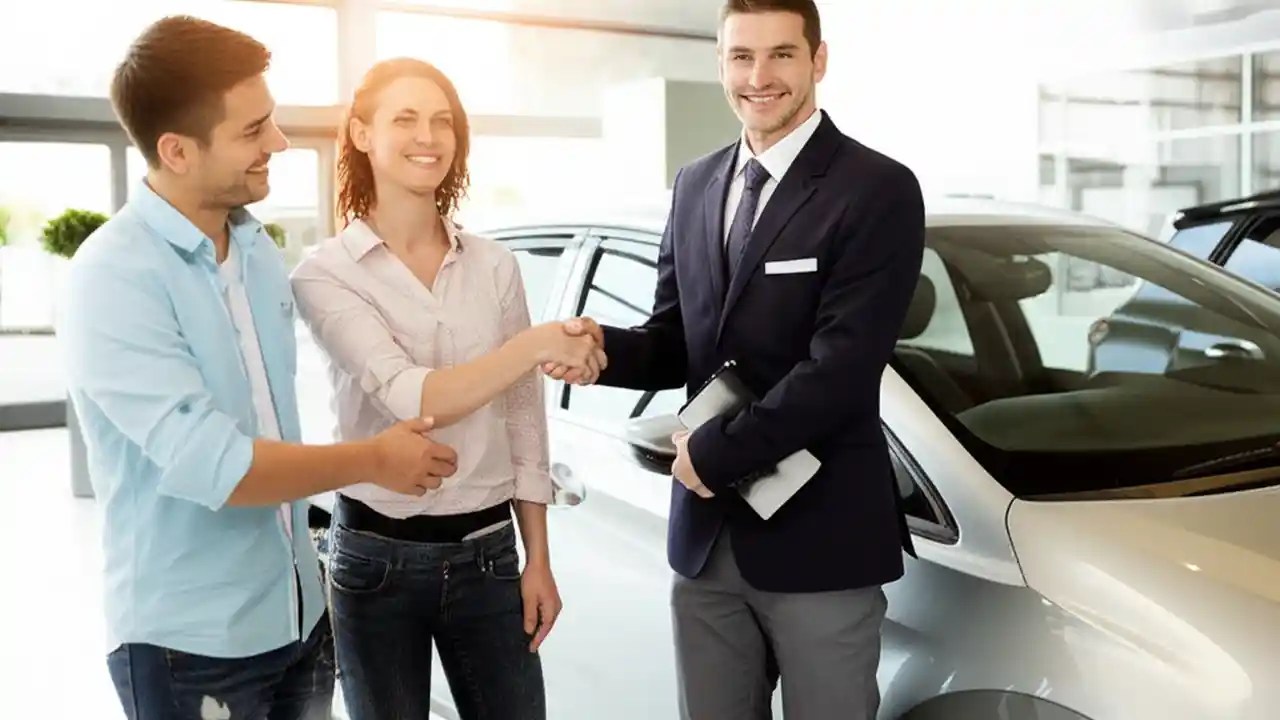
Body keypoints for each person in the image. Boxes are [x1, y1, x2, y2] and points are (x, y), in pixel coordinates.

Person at [62, 17, 459, 720]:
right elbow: (217, 465)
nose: (276, 143)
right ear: (176, 151)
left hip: (300, 622)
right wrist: (373, 460)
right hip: (192, 649)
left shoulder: (253, 252)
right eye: (252, 132)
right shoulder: (113, 275)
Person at [548, 1, 925, 717]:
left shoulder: (876, 189)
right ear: (720, 63)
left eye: (782, 54)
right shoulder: (695, 184)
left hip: (821, 542)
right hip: (706, 540)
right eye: (741, 57)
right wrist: (601, 349)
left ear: (818, 61)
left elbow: (842, 368)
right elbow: (676, 339)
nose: (760, 76)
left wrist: (715, 455)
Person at [290, 58, 602, 720]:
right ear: (362, 134)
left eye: (442, 121)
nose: (427, 135)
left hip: (489, 557)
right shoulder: (325, 274)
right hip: (374, 560)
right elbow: (413, 396)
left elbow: (524, 418)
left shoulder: (494, 265)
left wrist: (537, 558)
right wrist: (537, 343)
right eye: (404, 118)